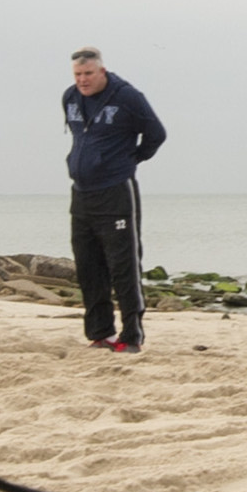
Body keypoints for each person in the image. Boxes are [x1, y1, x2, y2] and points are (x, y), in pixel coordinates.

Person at [63, 46, 166, 354]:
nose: (83, 80)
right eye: (78, 75)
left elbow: (156, 134)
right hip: (82, 193)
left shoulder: (127, 98)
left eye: (89, 74)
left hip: (116, 191)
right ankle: (100, 333)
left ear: (102, 72)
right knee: (88, 266)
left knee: (123, 266)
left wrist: (128, 160)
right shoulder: (70, 97)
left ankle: (131, 335)